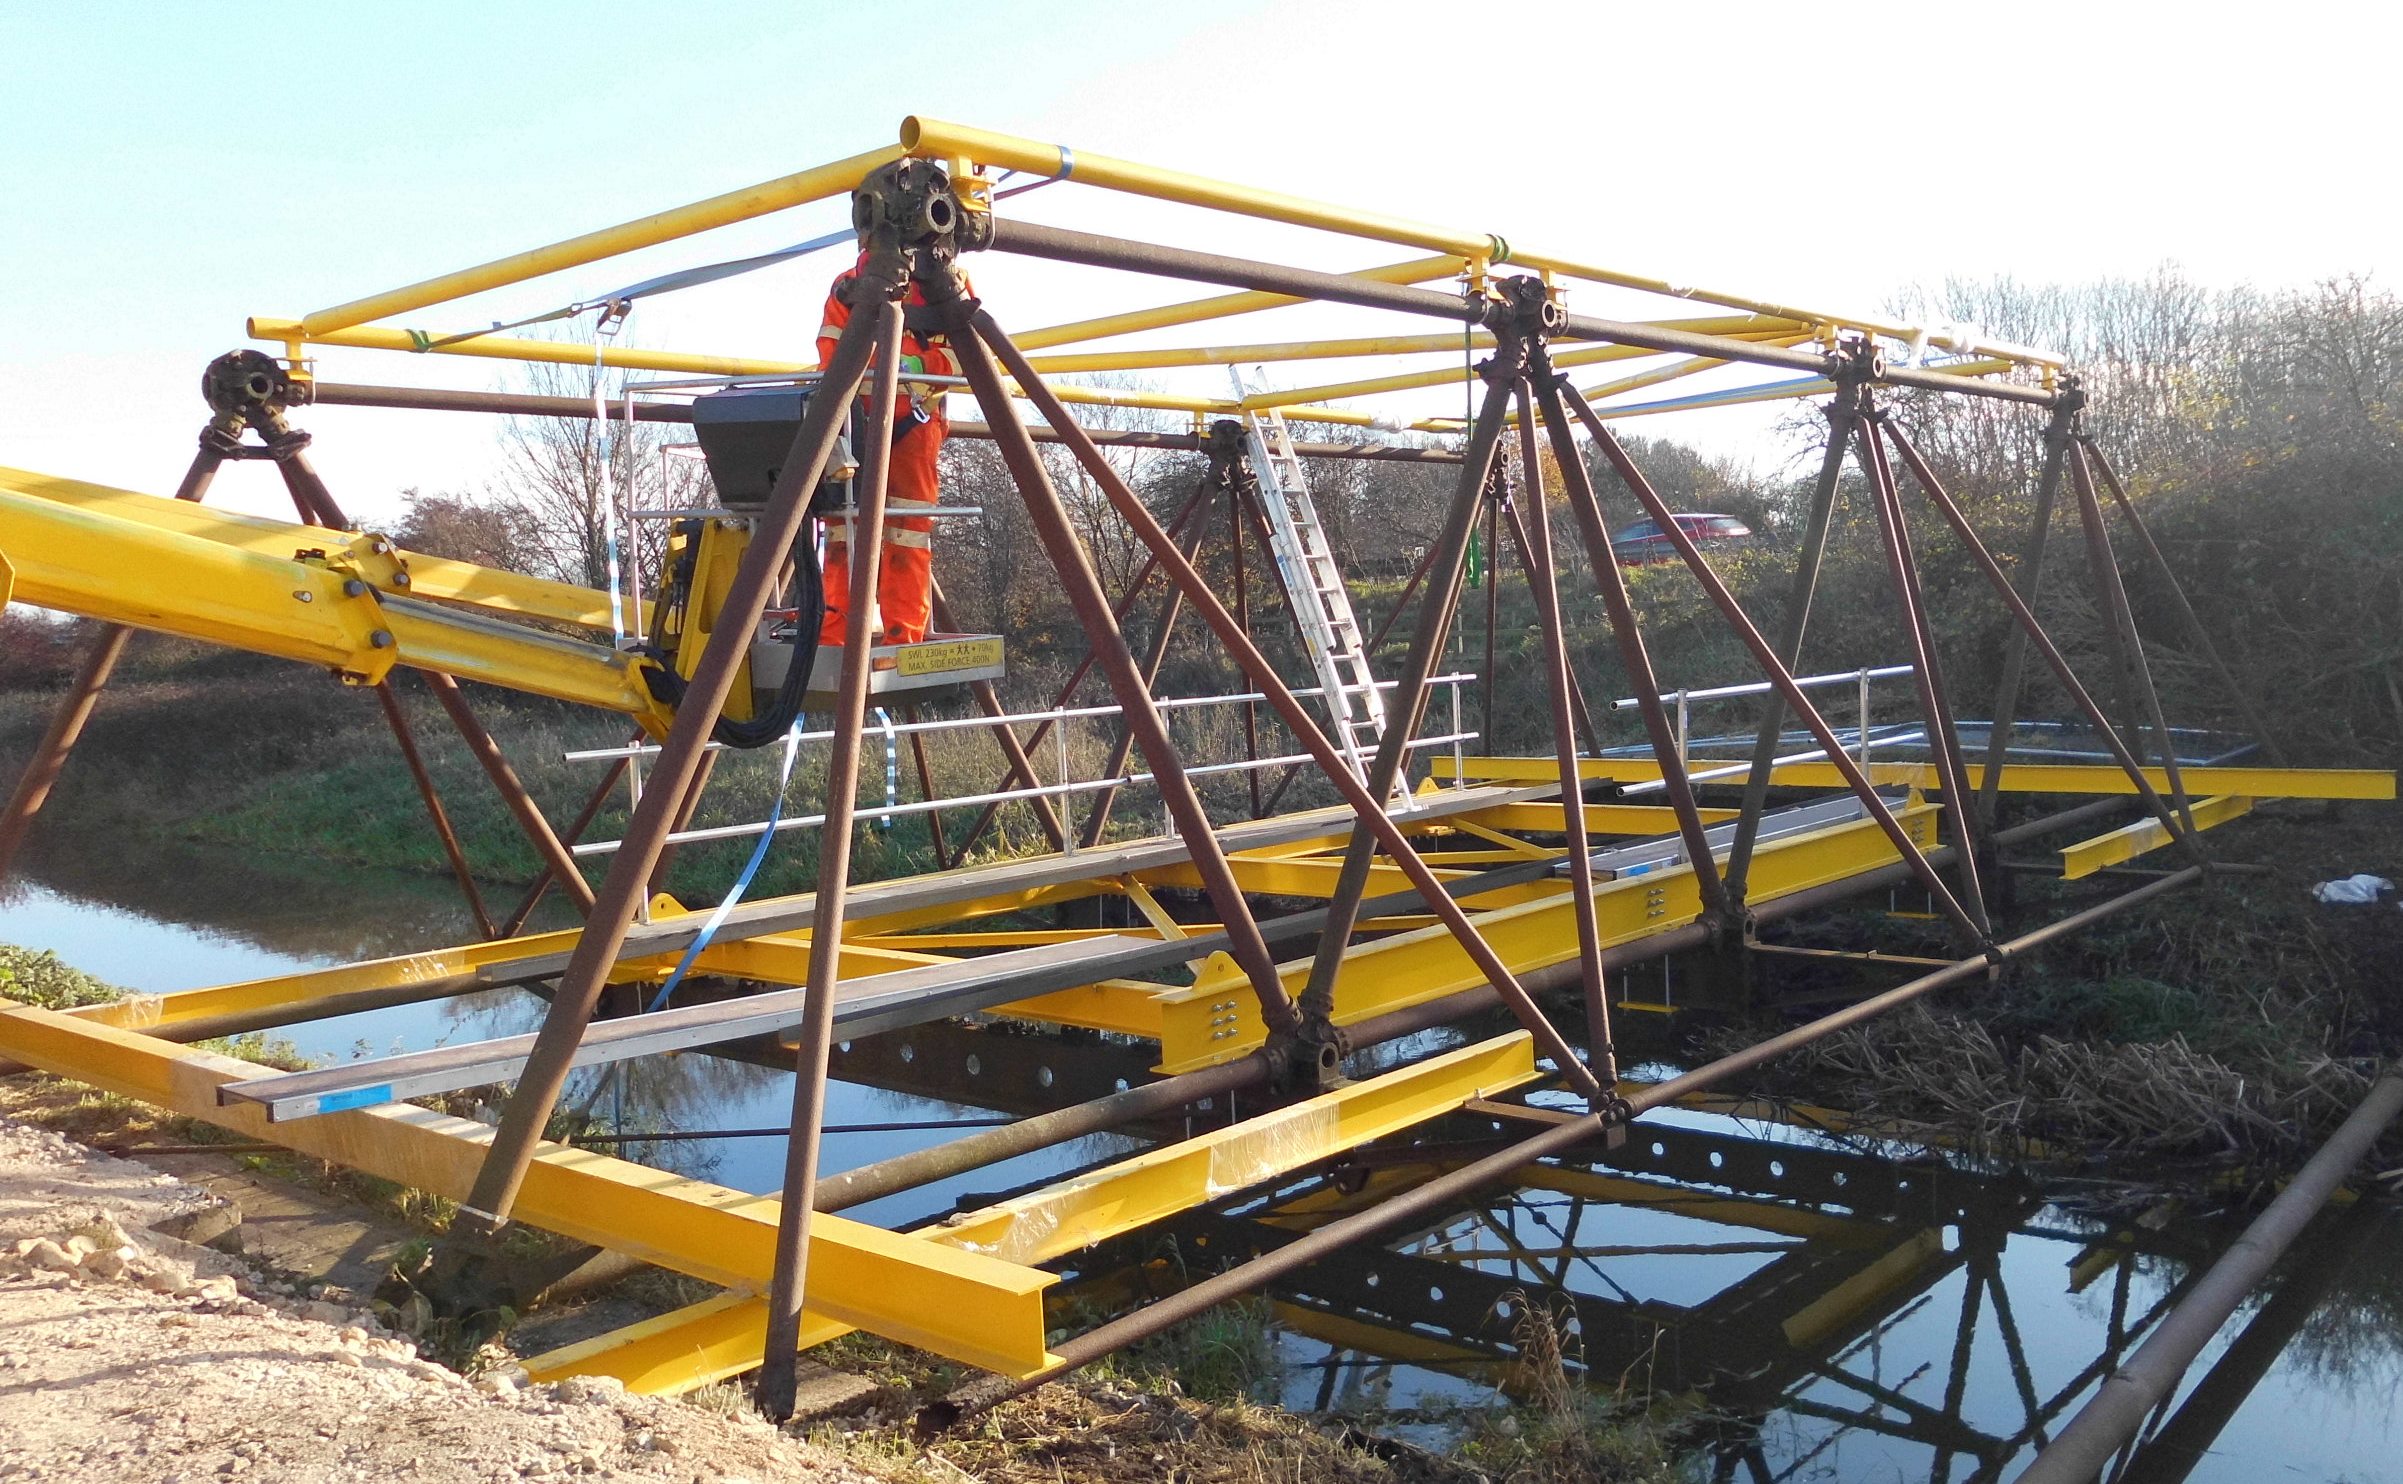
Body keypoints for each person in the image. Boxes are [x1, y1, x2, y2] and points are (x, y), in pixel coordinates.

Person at [813, 252, 967, 647]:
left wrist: (916, 368)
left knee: (905, 530)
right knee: (845, 527)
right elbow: (831, 355)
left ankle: (898, 635)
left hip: (910, 426)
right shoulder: (849, 284)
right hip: (857, 423)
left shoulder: (949, 283)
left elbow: (967, 353)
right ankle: (842, 632)